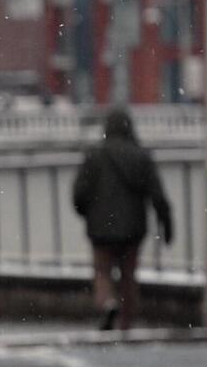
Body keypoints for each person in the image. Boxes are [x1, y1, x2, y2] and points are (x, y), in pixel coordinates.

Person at [73, 107, 173, 332]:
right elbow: (157, 195)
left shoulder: (94, 156)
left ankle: (107, 303)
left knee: (102, 271)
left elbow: (79, 193)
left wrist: (86, 212)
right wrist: (166, 223)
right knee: (128, 275)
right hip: (133, 228)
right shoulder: (141, 157)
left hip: (100, 228)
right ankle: (127, 323)